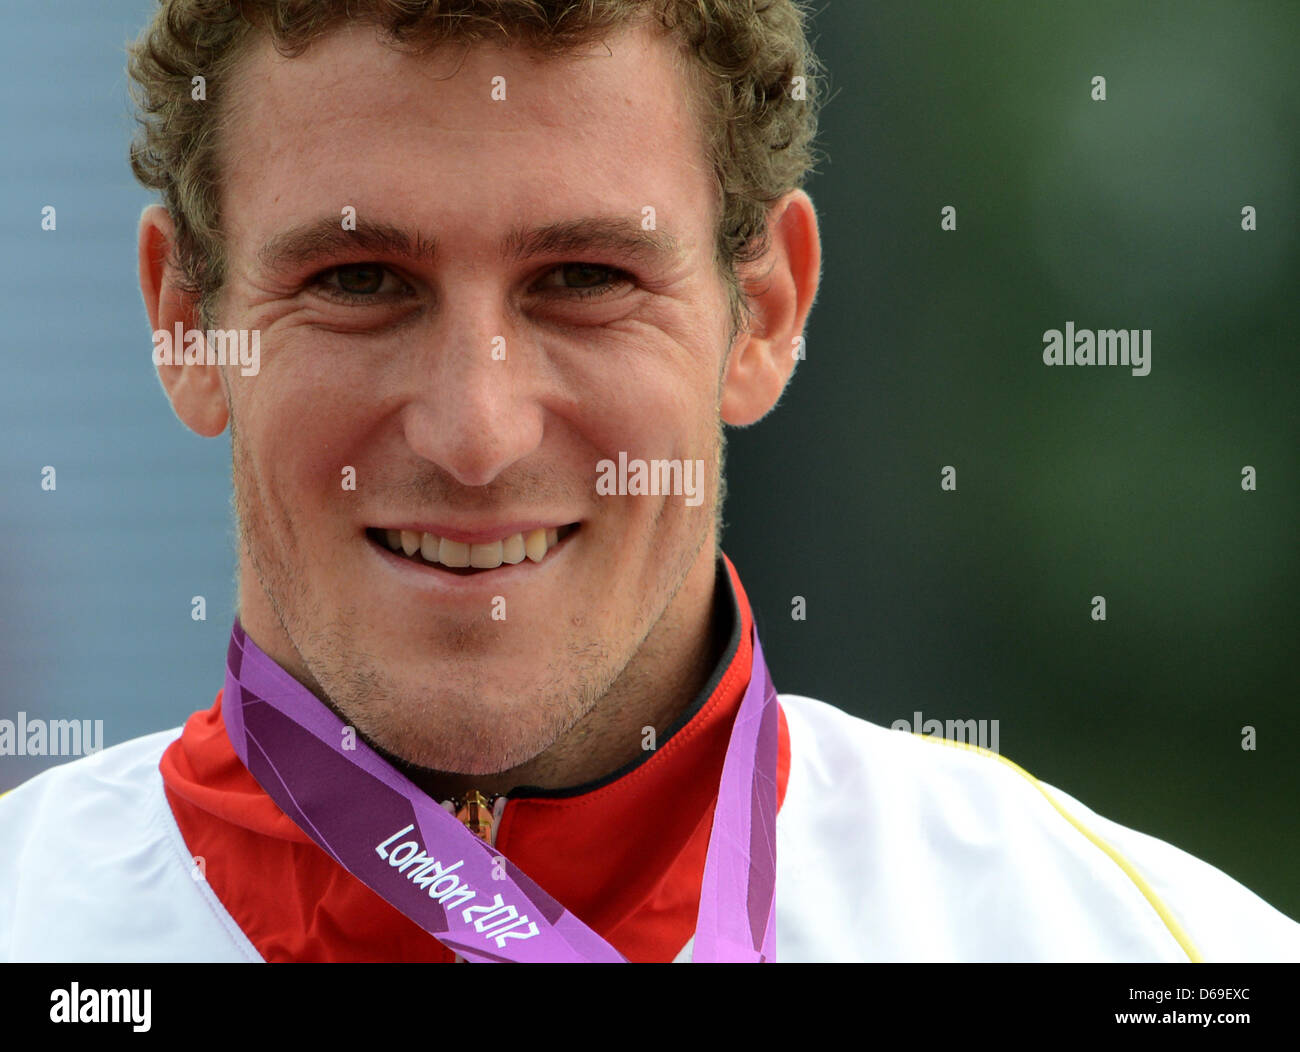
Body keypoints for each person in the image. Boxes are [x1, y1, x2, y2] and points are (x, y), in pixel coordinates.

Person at [1, 0, 1296, 963]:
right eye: (357, 281)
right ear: (185, 324)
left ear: (766, 312)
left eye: (585, 280)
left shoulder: (1147, 950)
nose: (476, 435)